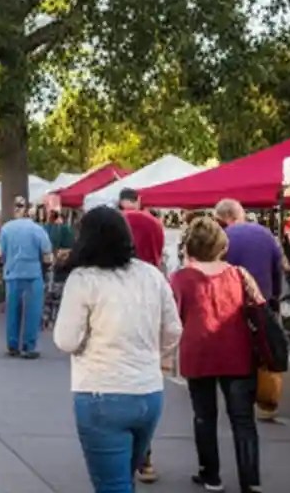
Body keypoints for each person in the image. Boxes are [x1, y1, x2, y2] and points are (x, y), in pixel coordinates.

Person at [54, 206, 182, 493]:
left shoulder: (84, 280)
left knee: (112, 485)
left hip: (101, 392)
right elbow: (173, 329)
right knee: (124, 479)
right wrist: (154, 355)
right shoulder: (151, 275)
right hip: (148, 392)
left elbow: (66, 340)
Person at [172, 216, 263, 493]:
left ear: (190, 247)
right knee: (243, 419)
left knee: (204, 415)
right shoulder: (239, 274)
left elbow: (173, 317)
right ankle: (250, 481)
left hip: (198, 353)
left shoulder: (180, 278)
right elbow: (258, 307)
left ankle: (210, 475)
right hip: (238, 353)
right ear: (223, 247)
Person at [213, 198, 285, 421]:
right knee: (264, 350)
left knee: (239, 351)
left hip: (233, 305)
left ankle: (240, 396)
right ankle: (266, 400)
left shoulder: (222, 239)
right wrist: (274, 296)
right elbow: (277, 266)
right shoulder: (265, 235)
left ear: (225, 217)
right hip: (263, 302)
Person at [118, 187, 165, 482]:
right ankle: (145, 455)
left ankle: (123, 452)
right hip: (149, 301)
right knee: (145, 380)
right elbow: (158, 258)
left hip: (117, 297)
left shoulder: (114, 222)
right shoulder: (153, 224)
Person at [0, 196, 52, 359]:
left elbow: (2, 254)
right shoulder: (38, 230)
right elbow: (47, 256)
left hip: (12, 273)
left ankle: (12, 345)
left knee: (13, 311)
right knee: (33, 312)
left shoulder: (6, 229)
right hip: (33, 274)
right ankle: (29, 346)